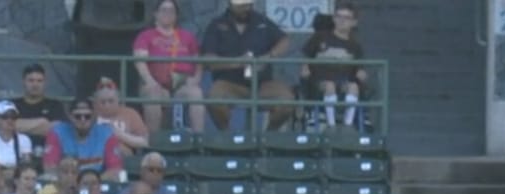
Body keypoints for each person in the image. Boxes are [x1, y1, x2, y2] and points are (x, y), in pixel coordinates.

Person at [201, 0, 294, 132]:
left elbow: (284, 40)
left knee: (287, 100)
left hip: (263, 83)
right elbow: (208, 60)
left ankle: (268, 135)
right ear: (230, 4)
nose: (247, 9)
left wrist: (268, 57)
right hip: (229, 83)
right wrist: (237, 62)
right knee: (214, 98)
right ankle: (227, 136)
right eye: (242, 6)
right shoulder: (216, 25)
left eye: (249, 5)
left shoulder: (262, 21)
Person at [133, 0, 208, 133]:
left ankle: (199, 140)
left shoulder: (187, 36)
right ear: (155, 14)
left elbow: (198, 62)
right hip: (156, 84)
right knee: (152, 94)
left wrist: (196, 80)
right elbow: (140, 61)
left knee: (196, 93)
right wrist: (150, 82)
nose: (168, 14)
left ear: (176, 15)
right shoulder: (146, 36)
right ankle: (154, 141)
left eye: (171, 11)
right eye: (164, 10)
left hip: (181, 85)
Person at [301, 1, 368, 128]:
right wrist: (305, 67)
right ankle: (331, 126)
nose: (341, 21)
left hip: (344, 81)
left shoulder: (355, 46)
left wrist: (362, 73)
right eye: (338, 16)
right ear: (334, 19)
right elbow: (306, 56)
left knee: (354, 87)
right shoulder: (320, 37)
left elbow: (359, 68)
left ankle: (347, 125)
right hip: (319, 82)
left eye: (346, 18)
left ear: (354, 22)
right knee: (329, 85)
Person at [45, 98, 123, 178]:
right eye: (78, 116)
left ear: (93, 116)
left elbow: (115, 170)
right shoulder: (57, 132)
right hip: (65, 182)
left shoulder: (106, 134)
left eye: (87, 116)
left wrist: (91, 183)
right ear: (70, 116)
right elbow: (50, 168)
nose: (83, 120)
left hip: (97, 183)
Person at [11, 63, 67, 149]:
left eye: (39, 81)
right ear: (23, 82)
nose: (35, 85)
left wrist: (19, 126)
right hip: (16, 154)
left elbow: (57, 130)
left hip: (48, 154)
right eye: (31, 80)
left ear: (45, 83)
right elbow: (5, 127)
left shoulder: (55, 105)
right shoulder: (12, 104)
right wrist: (42, 122)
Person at [0, 101, 34, 170]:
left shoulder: (24, 139)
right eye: (5, 116)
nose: (10, 120)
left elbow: (26, 166)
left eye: (13, 117)